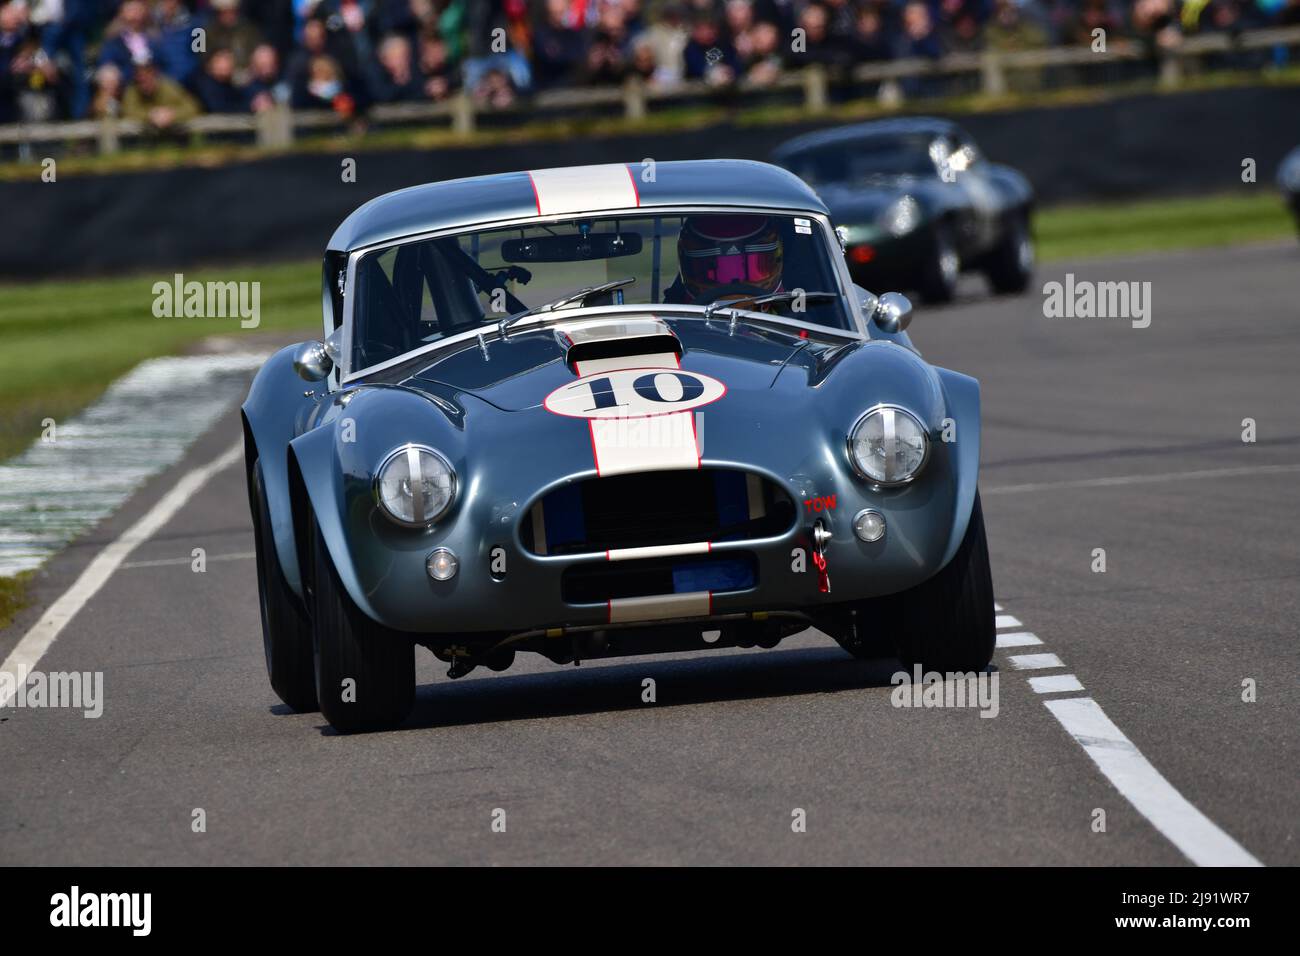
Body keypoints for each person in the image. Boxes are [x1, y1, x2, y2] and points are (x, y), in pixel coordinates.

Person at [664, 214, 784, 306]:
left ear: (776, 262)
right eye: (721, 271)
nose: (735, 285)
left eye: (754, 267)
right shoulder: (676, 319)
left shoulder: (788, 313)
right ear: (688, 268)